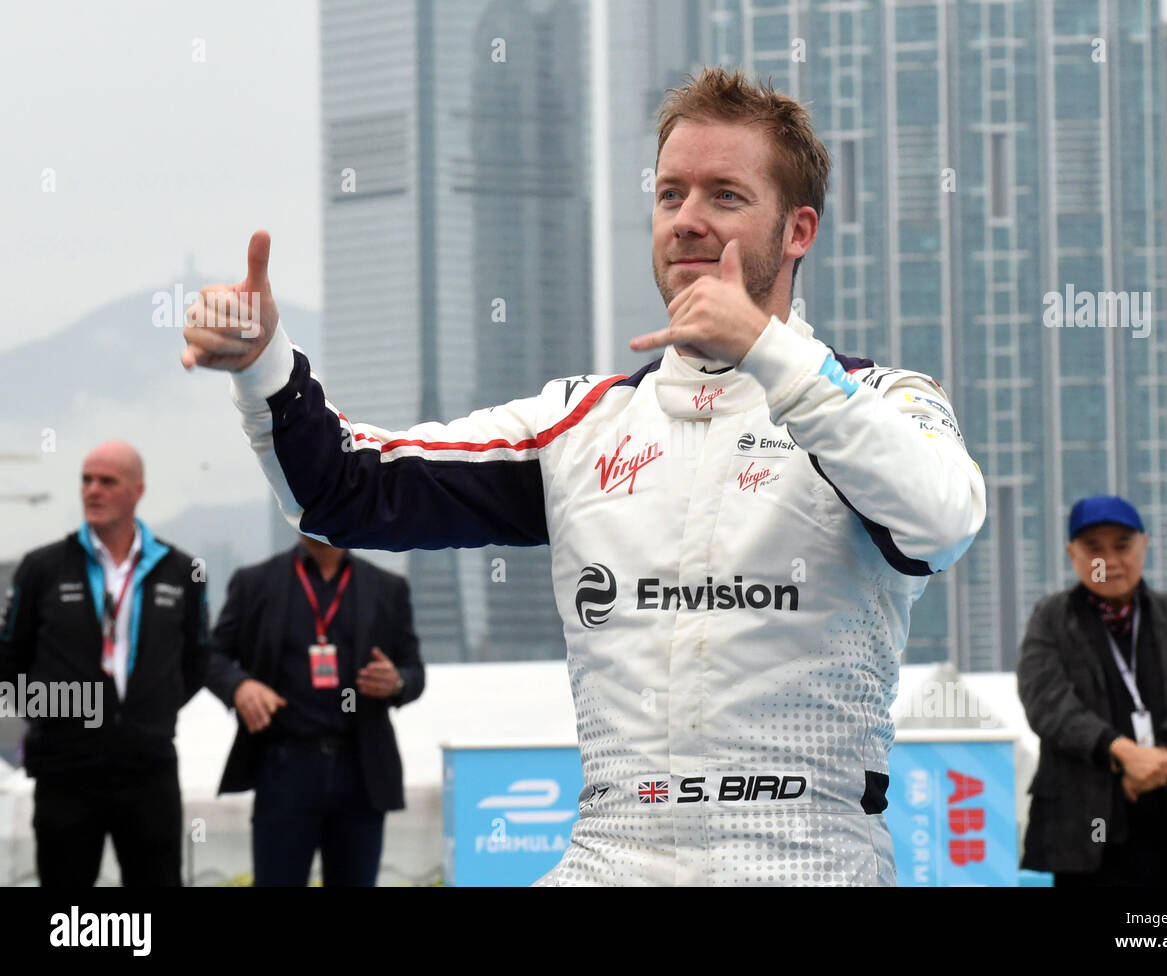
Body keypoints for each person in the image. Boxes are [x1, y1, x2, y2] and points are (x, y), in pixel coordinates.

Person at [181, 68, 987, 886]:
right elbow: (344, 494)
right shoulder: (581, 425)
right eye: (670, 194)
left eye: (726, 197)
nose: (688, 221)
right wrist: (266, 370)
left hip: (810, 862)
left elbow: (942, 520)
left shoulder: (880, 399)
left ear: (798, 228)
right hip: (611, 858)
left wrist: (769, 351)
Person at [0, 441, 210, 886]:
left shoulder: (182, 571)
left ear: (137, 490)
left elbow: (195, 662)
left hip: (148, 769)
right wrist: (57, 717)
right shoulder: (41, 568)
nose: (92, 490)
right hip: (64, 770)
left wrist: (151, 709)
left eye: (107, 481)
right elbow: (10, 661)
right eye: (86, 479)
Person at [1018, 495, 1167, 886]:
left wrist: (1162, 756)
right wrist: (1122, 752)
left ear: (1145, 545)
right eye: (1094, 548)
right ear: (1073, 554)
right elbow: (1045, 699)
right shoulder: (1051, 619)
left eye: (1122, 545)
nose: (1111, 561)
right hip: (1087, 841)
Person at [206, 535, 424, 886]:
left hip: (361, 769)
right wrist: (240, 687)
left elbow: (415, 671)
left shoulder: (387, 588)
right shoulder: (255, 582)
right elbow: (212, 656)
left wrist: (397, 682)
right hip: (285, 766)